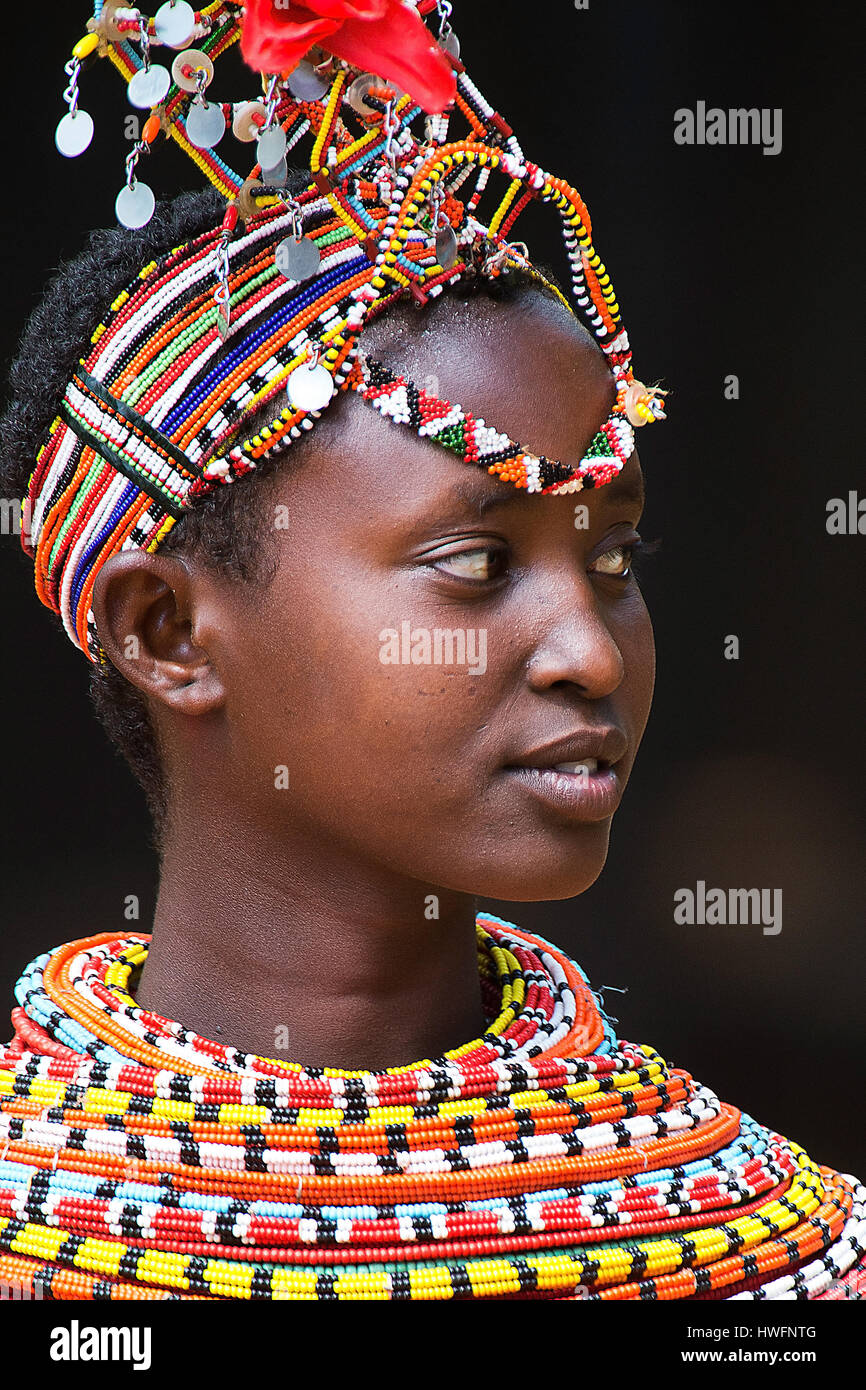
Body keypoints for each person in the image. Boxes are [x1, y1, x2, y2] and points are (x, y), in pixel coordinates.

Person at [0, 0, 862, 1301]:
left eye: (612, 561)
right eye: (477, 564)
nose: (590, 652)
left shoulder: (788, 1264)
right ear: (168, 632)